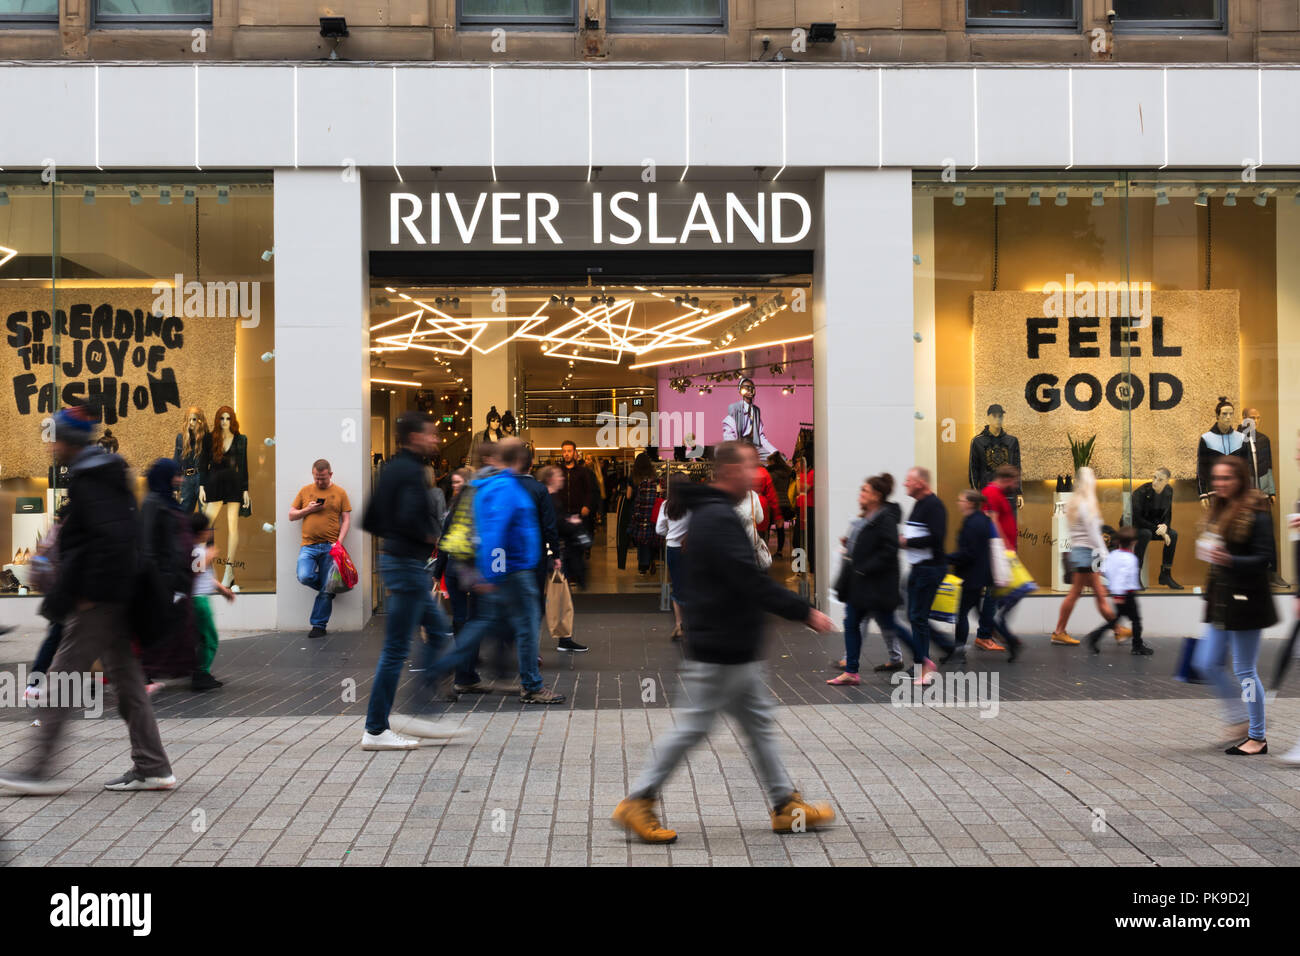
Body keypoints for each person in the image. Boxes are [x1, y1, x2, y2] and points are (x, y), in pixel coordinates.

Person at [612, 441, 837, 844]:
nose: (755, 476)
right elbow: (746, 579)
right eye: (750, 468)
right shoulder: (717, 517)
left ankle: (785, 804)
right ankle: (639, 799)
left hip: (733, 644)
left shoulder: (715, 512)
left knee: (758, 725)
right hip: (719, 646)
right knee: (694, 727)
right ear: (731, 471)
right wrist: (803, 612)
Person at [0, 407, 176, 794]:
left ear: (69, 441)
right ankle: (153, 767)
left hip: (97, 600)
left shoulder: (92, 477)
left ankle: (37, 771)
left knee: (60, 679)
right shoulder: (103, 472)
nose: (51, 446)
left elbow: (111, 541)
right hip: (112, 597)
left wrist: (85, 595)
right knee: (128, 684)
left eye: (55, 438)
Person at [422, 440, 564, 705]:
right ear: (521, 462)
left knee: (486, 624)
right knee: (525, 624)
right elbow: (496, 532)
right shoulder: (505, 487)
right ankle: (531, 685)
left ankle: (445, 670)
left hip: (505, 570)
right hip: (513, 572)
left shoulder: (485, 483)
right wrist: (493, 573)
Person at [359, 411, 464, 750]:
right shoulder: (408, 471)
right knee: (397, 649)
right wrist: (426, 535)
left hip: (402, 564)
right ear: (415, 437)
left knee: (437, 633)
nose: (435, 439)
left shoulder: (395, 468)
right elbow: (398, 518)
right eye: (431, 434)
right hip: (405, 567)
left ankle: (416, 709)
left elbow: (372, 518)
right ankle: (379, 727)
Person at [1192, 455, 1276, 755]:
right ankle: (1241, 720)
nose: (1220, 484)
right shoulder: (1218, 510)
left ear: (1240, 479)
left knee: (1244, 671)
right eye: (1217, 478)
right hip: (1221, 601)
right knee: (1205, 662)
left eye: (1227, 478)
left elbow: (1266, 558)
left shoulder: (1256, 511)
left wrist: (1231, 560)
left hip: (1247, 602)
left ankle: (1257, 735)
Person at [828, 474, 911, 685]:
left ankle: (922, 659)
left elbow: (888, 550)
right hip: (862, 583)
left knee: (888, 624)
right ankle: (852, 669)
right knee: (856, 622)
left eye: (865, 490)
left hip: (874, 585)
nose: (860, 494)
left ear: (876, 495)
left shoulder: (884, 517)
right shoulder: (868, 515)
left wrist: (863, 568)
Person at [516, 442, 584, 653]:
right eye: (557, 475)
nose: (562, 477)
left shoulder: (519, 490)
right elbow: (550, 526)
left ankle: (551, 641)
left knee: (539, 600)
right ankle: (551, 642)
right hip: (542, 555)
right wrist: (554, 553)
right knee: (548, 600)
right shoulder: (543, 494)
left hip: (528, 554)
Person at [139, 458, 198, 686]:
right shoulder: (153, 503)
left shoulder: (167, 502)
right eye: (175, 475)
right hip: (163, 580)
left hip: (176, 577)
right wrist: (159, 580)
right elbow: (148, 545)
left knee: (180, 627)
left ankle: (193, 671)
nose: (180, 480)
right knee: (161, 629)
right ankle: (145, 673)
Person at [1051, 467, 1120, 647]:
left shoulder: (1076, 501)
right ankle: (1059, 632)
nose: (1094, 479)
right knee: (1078, 594)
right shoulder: (1084, 503)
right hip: (1086, 554)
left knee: (1097, 594)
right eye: (1091, 476)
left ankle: (1118, 629)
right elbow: (1093, 532)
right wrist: (1104, 554)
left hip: (1082, 552)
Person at [289, 459, 352, 639]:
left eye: (323, 478)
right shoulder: (305, 491)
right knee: (304, 575)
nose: (319, 482)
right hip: (308, 545)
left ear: (330, 475)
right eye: (316, 478)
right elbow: (291, 515)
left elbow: (346, 519)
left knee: (325, 589)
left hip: (330, 546)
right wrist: (307, 510)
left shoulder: (340, 492)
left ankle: (318, 625)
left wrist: (339, 542)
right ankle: (328, 589)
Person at [900, 467, 951, 686]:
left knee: (918, 616)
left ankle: (924, 665)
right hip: (919, 568)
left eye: (909, 480)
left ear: (921, 483)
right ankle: (922, 660)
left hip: (929, 569)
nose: (905, 484)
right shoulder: (920, 504)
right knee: (915, 616)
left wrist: (907, 542)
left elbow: (936, 538)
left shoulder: (934, 506)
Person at [976, 464, 1025, 660]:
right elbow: (992, 521)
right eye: (1014, 481)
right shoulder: (991, 492)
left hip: (1003, 551)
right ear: (1007, 479)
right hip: (999, 552)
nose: (1015, 485)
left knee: (998, 592)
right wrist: (1005, 547)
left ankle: (994, 631)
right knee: (994, 593)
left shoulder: (997, 493)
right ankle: (984, 635)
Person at [944, 490, 997, 667]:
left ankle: (959, 653)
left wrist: (947, 558)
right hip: (977, 575)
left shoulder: (973, 523)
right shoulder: (979, 520)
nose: (958, 502)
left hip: (971, 576)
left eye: (960, 500)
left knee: (962, 614)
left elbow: (969, 552)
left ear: (969, 503)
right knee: (975, 613)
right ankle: (1009, 640)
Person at [1085, 525, 1153, 656]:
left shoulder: (1113, 555)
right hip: (1127, 594)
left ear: (1117, 542)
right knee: (1136, 620)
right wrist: (1121, 594)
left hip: (1117, 593)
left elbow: (1103, 571)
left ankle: (1095, 637)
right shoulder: (1131, 559)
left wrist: (1113, 589)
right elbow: (1124, 577)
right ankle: (1137, 646)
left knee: (1115, 620)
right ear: (1133, 542)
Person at [188, 512, 234, 689]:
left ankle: (197, 670)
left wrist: (223, 590)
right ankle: (201, 673)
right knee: (209, 638)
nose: (210, 531)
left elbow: (205, 577)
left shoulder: (195, 549)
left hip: (196, 599)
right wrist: (209, 556)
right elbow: (195, 571)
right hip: (199, 600)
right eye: (208, 528)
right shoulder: (197, 551)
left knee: (198, 637)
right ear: (201, 531)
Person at [1132, 467, 1182, 589]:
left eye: (1160, 480)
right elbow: (1137, 519)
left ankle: (1165, 574)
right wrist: (1161, 532)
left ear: (1167, 481)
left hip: (1153, 526)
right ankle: (1135, 575)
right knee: (1145, 534)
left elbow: (1167, 513)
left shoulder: (1168, 491)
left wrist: (1165, 526)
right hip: (1136, 525)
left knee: (1173, 534)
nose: (1155, 482)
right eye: (1154, 477)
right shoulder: (1141, 492)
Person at [656, 476, 691, 641]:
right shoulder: (694, 505)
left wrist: (671, 535)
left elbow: (659, 529)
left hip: (673, 548)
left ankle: (679, 624)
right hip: (691, 548)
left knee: (677, 585)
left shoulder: (666, 505)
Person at [557, 440, 593, 587]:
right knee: (564, 546)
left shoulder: (582, 472)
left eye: (569, 451)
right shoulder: (558, 471)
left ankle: (579, 575)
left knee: (577, 545)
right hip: (563, 515)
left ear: (575, 453)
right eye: (564, 451)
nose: (566, 454)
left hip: (578, 514)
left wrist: (587, 506)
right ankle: (569, 575)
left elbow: (589, 491)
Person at [720, 377, 776, 457]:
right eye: (746, 387)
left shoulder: (756, 410)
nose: (750, 390)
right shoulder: (734, 408)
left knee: (776, 459)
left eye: (752, 388)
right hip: (739, 447)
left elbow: (760, 436)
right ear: (740, 390)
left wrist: (774, 451)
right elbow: (729, 434)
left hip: (754, 447)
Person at [629, 453, 661, 576]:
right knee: (651, 536)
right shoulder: (654, 476)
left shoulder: (633, 476)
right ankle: (651, 559)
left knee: (640, 539)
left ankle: (642, 566)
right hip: (652, 509)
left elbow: (628, 495)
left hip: (638, 509)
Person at [766, 452, 795, 559]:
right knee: (780, 528)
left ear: (772, 462)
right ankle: (779, 551)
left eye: (768, 462)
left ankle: (765, 550)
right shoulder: (786, 472)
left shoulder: (771, 474)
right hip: (784, 502)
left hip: (774, 502)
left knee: (767, 526)